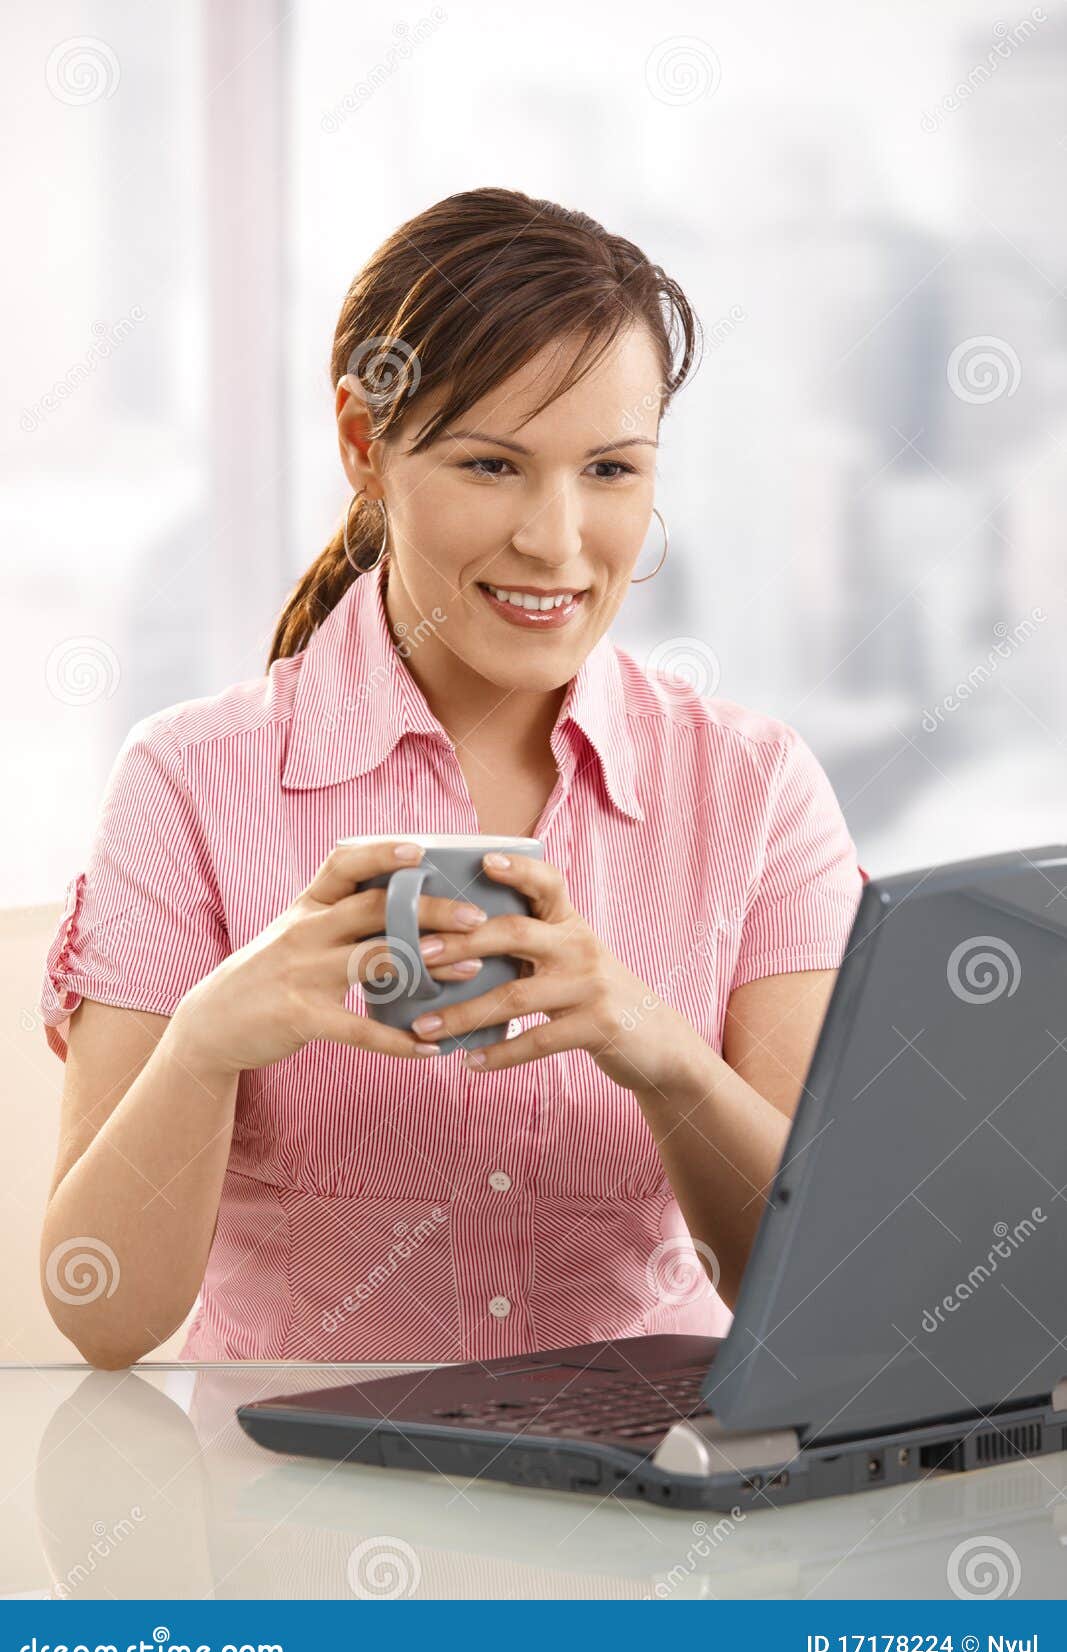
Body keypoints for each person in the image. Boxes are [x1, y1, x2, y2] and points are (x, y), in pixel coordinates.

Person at [38, 187, 867, 1370]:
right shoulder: (189, 781)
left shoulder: (751, 788)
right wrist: (207, 1042)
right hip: (291, 1513)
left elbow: (818, 1288)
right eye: (491, 463)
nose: (556, 538)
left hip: (646, 1521)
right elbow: (103, 1314)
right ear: (364, 445)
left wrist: (656, 1048)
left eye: (610, 470)